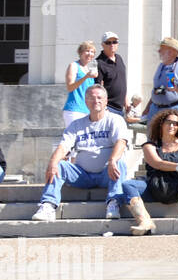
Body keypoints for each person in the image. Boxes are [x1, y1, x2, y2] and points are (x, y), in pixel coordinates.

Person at [31, 85, 153, 234]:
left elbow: (121, 142)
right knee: (59, 165)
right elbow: (64, 147)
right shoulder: (76, 125)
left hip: (106, 173)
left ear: (106, 101)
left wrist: (112, 160)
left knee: (119, 163)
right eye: (91, 98)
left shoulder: (115, 120)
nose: (96, 101)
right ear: (86, 101)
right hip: (82, 174)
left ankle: (113, 202)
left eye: (99, 97)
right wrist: (52, 163)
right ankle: (48, 205)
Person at [141, 109, 178, 219]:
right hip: (161, 186)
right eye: (168, 122)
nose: (172, 126)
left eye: (176, 123)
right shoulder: (150, 145)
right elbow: (157, 163)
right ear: (161, 124)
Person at [146, 37, 178, 124]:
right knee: (153, 137)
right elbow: (156, 89)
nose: (158, 51)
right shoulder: (160, 66)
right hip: (154, 110)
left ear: (171, 52)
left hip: (172, 110)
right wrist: (147, 108)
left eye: (161, 49)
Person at [63, 41, 98, 127]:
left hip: (88, 110)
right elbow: (70, 87)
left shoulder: (90, 69)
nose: (90, 54)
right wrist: (85, 77)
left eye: (92, 52)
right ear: (81, 52)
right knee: (74, 138)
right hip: (74, 110)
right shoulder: (74, 66)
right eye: (87, 51)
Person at [94, 31, 128, 115]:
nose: (112, 45)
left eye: (114, 42)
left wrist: (126, 102)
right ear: (103, 45)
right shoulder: (99, 63)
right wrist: (103, 107)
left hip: (121, 109)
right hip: (108, 109)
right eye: (108, 42)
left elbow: (122, 82)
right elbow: (98, 88)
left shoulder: (119, 58)